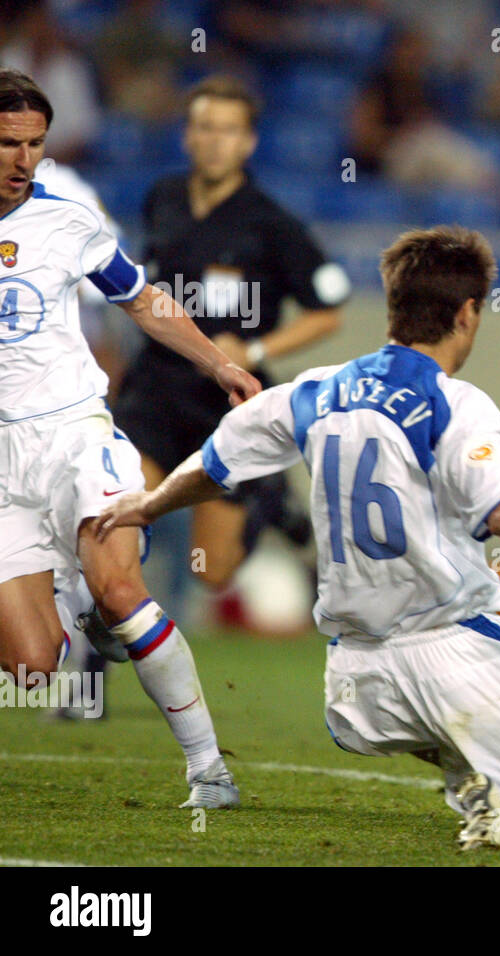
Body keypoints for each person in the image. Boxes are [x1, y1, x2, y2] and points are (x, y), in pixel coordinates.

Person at [95, 226, 500, 850]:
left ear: (394, 306)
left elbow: (215, 462)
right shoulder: (456, 404)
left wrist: (147, 505)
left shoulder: (316, 389)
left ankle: (472, 763)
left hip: (356, 683)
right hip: (454, 653)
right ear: (469, 312)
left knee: (441, 736)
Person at [0, 69, 260, 805]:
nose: (22, 160)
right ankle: (84, 600)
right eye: (6, 145)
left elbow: (142, 302)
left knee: (121, 588)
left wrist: (218, 364)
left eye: (34, 144)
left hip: (75, 434)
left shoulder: (67, 224)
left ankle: (209, 770)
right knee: (28, 670)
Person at [112, 75, 350, 592]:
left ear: (249, 141)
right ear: (187, 135)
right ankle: (104, 626)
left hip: (226, 396)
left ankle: (270, 503)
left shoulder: (272, 224)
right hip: (154, 387)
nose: (215, 140)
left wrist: (256, 348)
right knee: (116, 513)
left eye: (228, 130)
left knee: (212, 571)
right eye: (204, 127)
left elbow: (327, 310)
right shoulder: (164, 197)